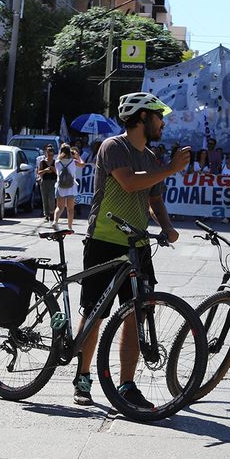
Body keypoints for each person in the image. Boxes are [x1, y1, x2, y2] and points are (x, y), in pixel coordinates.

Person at [73, 91, 189, 407]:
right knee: (95, 313)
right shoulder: (114, 147)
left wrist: (166, 225)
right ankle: (83, 377)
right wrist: (171, 168)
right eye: (158, 116)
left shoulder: (151, 159)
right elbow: (128, 183)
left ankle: (126, 385)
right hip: (105, 241)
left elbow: (153, 198)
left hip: (137, 245)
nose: (162, 123)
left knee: (137, 315)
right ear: (142, 117)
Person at [53, 143, 85, 230]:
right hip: (71, 187)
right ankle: (70, 227)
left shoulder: (57, 162)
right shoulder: (73, 162)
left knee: (59, 207)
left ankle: (55, 221)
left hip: (60, 187)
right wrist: (77, 156)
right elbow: (82, 164)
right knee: (70, 209)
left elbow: (57, 173)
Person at [37, 146, 57, 222]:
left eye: (51, 155)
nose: (50, 157)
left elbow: (58, 173)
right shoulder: (42, 162)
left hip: (53, 181)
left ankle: (52, 212)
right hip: (44, 181)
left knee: (51, 198)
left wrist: (53, 169)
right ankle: (46, 214)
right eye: (49, 155)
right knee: (44, 198)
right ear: (46, 154)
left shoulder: (55, 162)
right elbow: (39, 172)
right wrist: (45, 170)